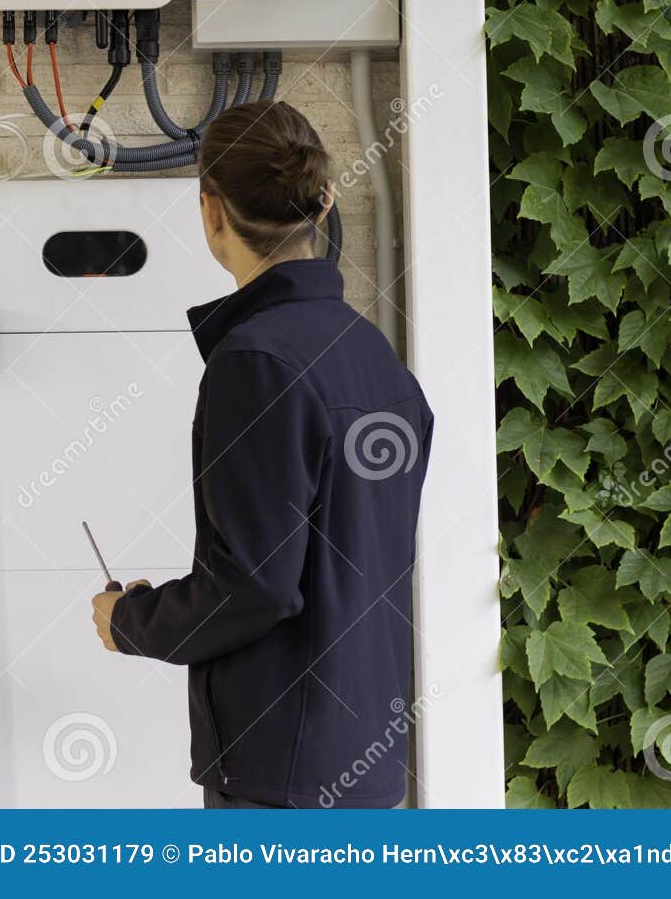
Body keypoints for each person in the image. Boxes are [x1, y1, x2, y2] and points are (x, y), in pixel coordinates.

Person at [90, 100, 433, 810]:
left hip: (279, 777)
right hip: (366, 761)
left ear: (211, 210)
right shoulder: (374, 355)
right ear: (325, 200)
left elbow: (257, 585)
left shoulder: (255, 362)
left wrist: (131, 622)